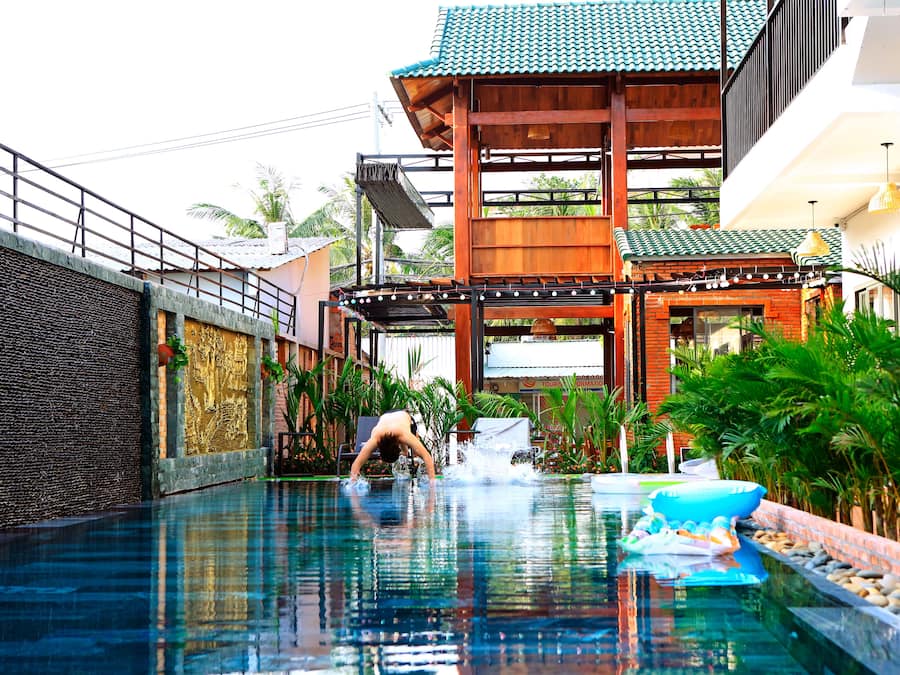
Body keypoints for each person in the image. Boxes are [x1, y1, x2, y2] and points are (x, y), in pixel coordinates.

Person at [349, 409, 436, 482]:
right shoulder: (375, 438)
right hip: (388, 415)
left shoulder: (403, 435)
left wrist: (432, 483)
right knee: (409, 448)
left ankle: (405, 452)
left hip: (401, 415)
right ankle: (405, 452)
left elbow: (427, 457)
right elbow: (355, 465)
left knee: (416, 449)